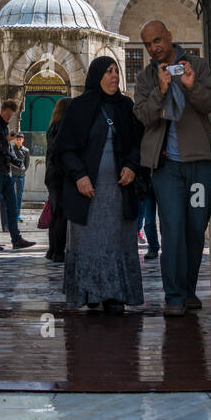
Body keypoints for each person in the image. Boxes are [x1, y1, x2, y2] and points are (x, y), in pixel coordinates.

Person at [134, 20, 211, 314]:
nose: (153, 48)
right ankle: (173, 296)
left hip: (198, 165)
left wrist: (191, 86)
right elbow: (144, 116)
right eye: (147, 44)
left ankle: (188, 290)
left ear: (170, 37)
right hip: (166, 167)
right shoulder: (147, 78)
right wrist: (160, 89)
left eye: (157, 40)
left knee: (196, 228)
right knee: (172, 228)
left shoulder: (198, 66)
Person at [55, 57, 144, 313]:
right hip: (87, 192)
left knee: (118, 242)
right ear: (96, 76)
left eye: (117, 71)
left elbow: (139, 142)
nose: (114, 76)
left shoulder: (127, 107)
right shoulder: (78, 107)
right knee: (90, 243)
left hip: (119, 190)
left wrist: (132, 165)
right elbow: (65, 149)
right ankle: (91, 293)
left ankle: (116, 294)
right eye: (108, 71)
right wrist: (79, 176)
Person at [0, 101, 36, 252]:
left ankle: (16, 239)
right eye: (8, 114)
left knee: (12, 205)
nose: (9, 117)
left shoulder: (3, 126)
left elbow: (5, 150)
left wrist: (14, 161)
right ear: (2, 110)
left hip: (4, 172)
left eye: (11, 115)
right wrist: (6, 140)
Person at [44, 96, 71, 262]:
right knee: (61, 214)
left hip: (52, 175)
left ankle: (52, 249)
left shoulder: (53, 126)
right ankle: (59, 252)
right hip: (61, 175)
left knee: (56, 213)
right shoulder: (64, 127)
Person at [137, 177, 160, 260]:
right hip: (146, 182)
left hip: (163, 179)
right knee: (149, 220)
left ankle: (168, 248)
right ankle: (153, 248)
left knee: (166, 219)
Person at [10, 132, 30, 222]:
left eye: (20, 139)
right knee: (10, 195)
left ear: (23, 140)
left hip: (21, 175)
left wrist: (22, 170)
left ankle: (17, 215)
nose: (18, 140)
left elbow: (27, 164)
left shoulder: (26, 150)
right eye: (17, 139)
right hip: (12, 175)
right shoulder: (11, 149)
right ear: (14, 140)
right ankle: (10, 213)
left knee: (19, 195)